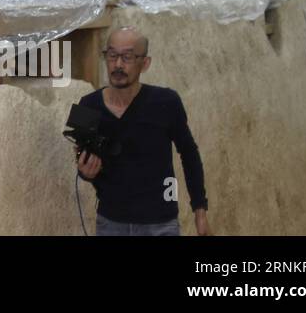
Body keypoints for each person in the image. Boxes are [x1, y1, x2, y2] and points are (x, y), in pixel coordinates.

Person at [75, 27, 211, 236]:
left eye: (127, 57)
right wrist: (85, 173)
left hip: (160, 223)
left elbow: (189, 154)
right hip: (111, 222)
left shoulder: (167, 102)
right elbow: (81, 161)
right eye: (112, 56)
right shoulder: (87, 106)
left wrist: (200, 212)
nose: (118, 64)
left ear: (145, 63)